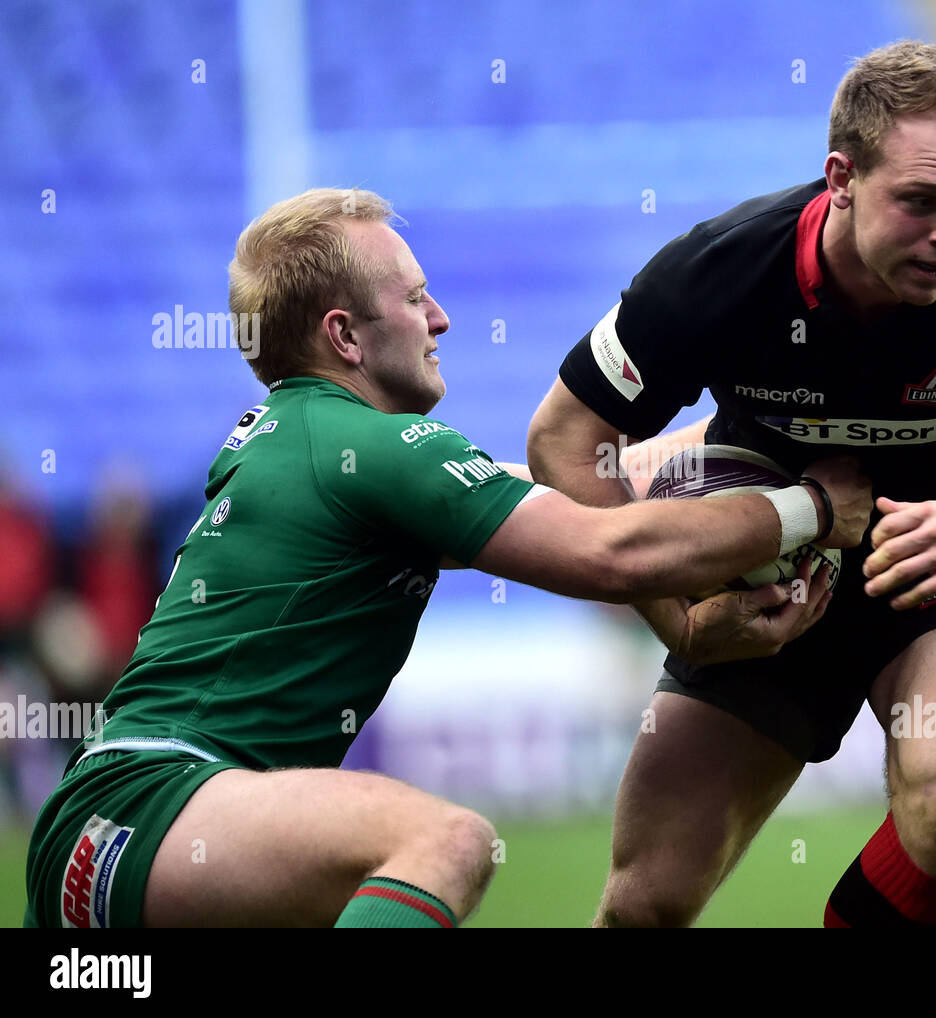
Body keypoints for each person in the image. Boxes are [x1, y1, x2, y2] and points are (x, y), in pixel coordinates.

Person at [23, 187, 874, 929]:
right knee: (446, 842)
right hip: (154, 809)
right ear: (345, 336)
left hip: (126, 825)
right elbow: (613, 550)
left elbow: (586, 486)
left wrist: (766, 439)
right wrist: (813, 509)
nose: (442, 319)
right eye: (417, 298)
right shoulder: (382, 447)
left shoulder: (309, 441)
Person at [526, 40, 936, 928]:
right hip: (767, 578)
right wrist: (677, 609)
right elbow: (565, 441)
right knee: (645, 904)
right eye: (921, 201)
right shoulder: (716, 273)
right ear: (840, 176)